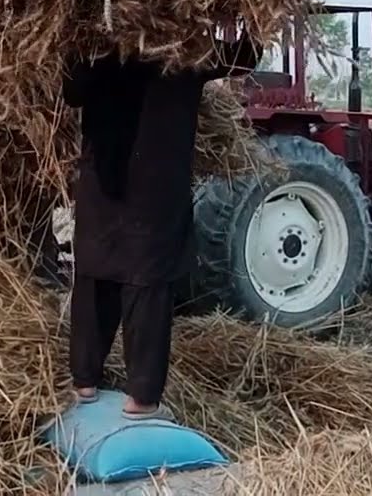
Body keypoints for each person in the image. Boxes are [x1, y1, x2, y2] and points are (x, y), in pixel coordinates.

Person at [61, 34, 261, 420]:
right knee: (147, 285)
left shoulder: (99, 48)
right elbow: (241, 56)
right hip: (155, 188)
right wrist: (244, 14)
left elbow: (72, 89)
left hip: (103, 184)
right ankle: (141, 398)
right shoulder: (181, 49)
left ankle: (84, 382)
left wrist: (81, 41)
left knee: (94, 278)